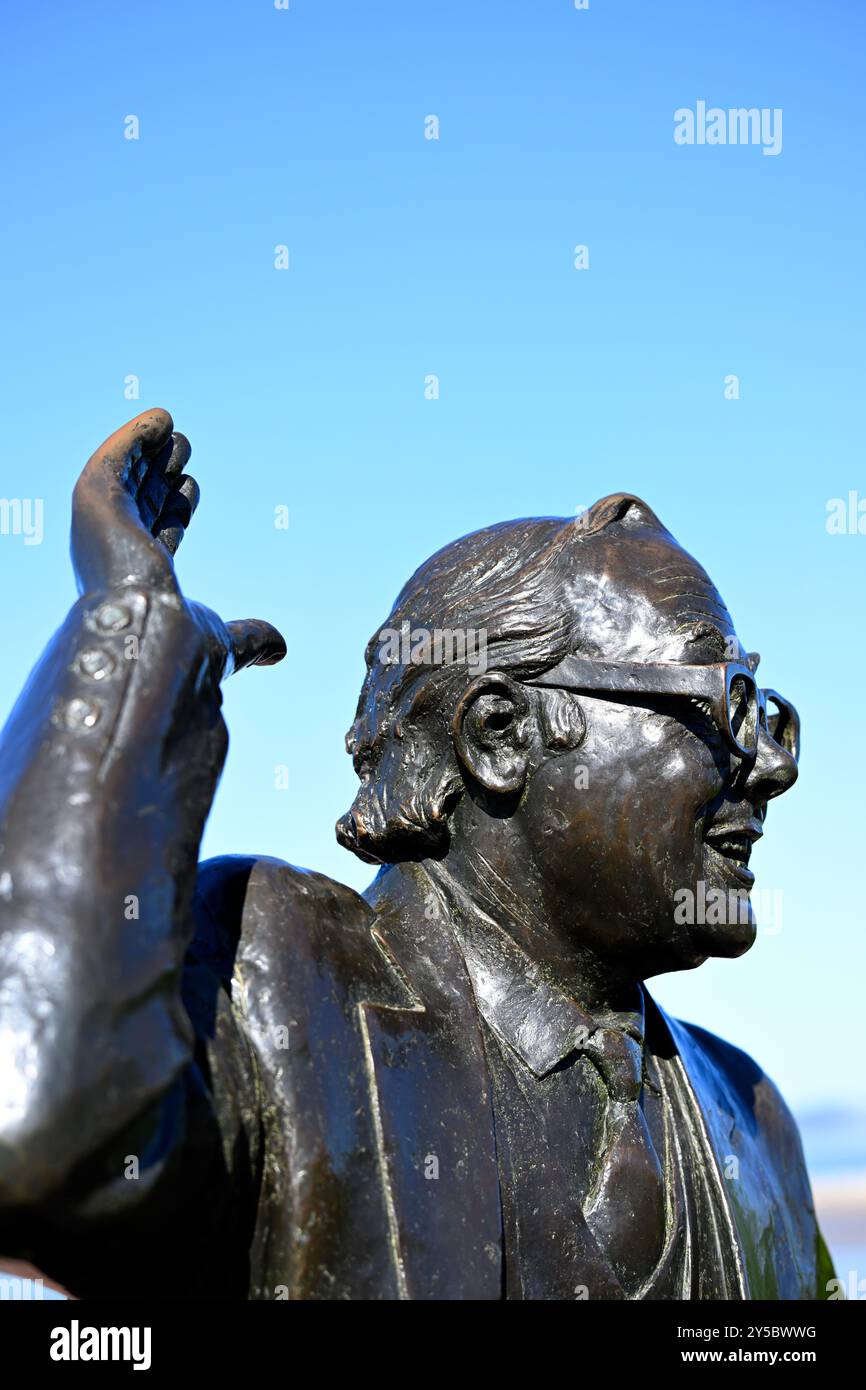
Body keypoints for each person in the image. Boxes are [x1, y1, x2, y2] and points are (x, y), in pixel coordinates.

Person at [0, 409, 834, 1299]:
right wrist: (132, 645)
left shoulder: (751, 1121)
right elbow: (26, 1138)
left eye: (768, 712)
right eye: (726, 702)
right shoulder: (274, 975)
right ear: (501, 737)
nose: (775, 765)